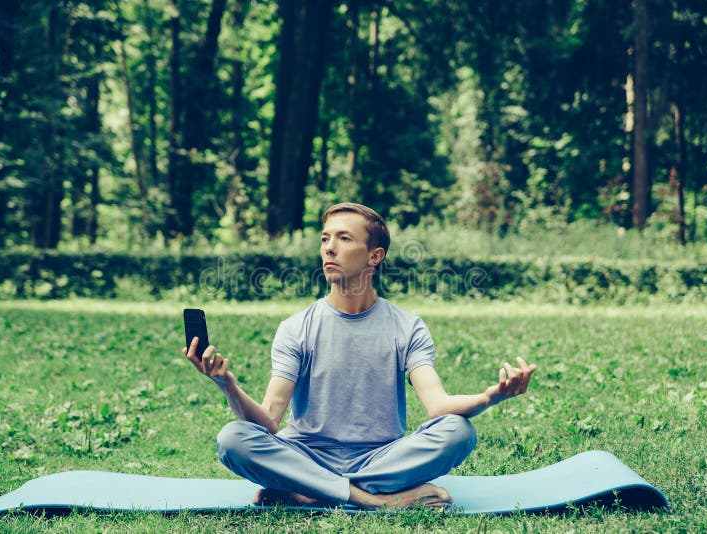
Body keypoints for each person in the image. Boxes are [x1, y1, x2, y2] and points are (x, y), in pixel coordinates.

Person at [184, 202, 537, 510]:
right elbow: (269, 422)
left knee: (459, 432)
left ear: (375, 256)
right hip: (306, 455)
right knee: (233, 439)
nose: (329, 249)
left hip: (380, 458)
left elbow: (437, 407)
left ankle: (307, 492)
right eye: (325, 239)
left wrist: (492, 397)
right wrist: (227, 385)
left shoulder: (407, 327)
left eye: (344, 238)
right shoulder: (295, 328)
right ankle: (372, 500)